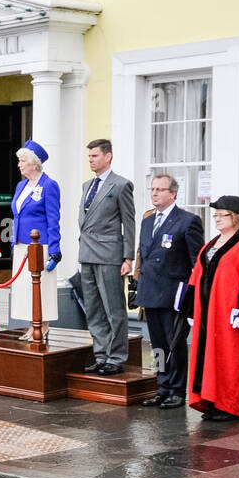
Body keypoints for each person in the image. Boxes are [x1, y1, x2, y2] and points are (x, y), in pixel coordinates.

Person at [181, 196, 239, 422]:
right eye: (215, 214)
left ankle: (231, 406)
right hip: (208, 315)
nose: (216, 218)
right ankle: (210, 400)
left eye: (222, 214)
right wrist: (191, 311)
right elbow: (195, 276)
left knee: (230, 360)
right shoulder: (210, 244)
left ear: (236, 217)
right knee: (208, 359)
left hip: (231, 316)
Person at [136, 174, 204, 409]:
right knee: (157, 345)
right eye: (152, 189)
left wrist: (192, 295)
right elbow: (143, 256)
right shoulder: (147, 221)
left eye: (160, 189)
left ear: (173, 193)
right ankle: (162, 386)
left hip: (174, 294)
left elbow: (197, 262)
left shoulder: (187, 221)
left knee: (174, 344)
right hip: (151, 292)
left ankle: (176, 390)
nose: (154, 193)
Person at [77, 139, 136, 375]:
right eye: (89, 156)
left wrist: (128, 257)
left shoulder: (121, 185)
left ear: (108, 156)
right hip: (87, 253)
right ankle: (101, 354)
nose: (91, 159)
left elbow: (129, 224)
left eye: (95, 155)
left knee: (114, 309)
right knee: (93, 309)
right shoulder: (86, 186)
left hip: (110, 255)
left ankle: (117, 356)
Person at [9, 140, 61, 340]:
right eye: (19, 161)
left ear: (35, 163)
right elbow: (17, 215)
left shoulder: (49, 185)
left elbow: (53, 218)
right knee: (24, 287)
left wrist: (55, 249)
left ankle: (43, 324)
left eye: (23, 161)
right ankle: (32, 324)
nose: (19, 165)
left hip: (42, 245)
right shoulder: (21, 185)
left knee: (42, 286)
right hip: (22, 244)